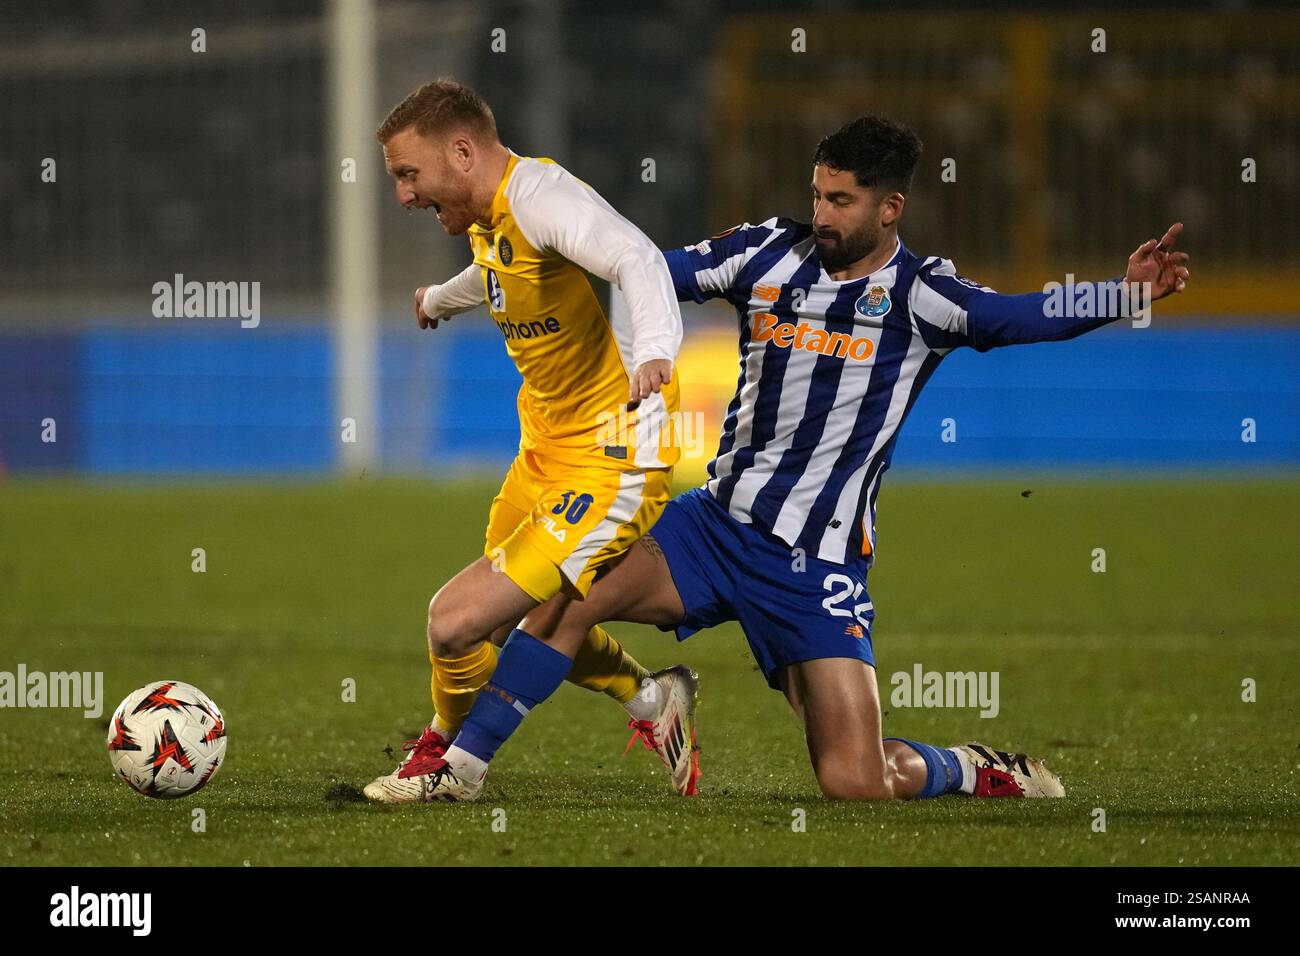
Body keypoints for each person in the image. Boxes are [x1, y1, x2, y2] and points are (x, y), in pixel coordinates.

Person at [407, 114, 1190, 802]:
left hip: (816, 566)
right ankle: (462, 768)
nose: (820, 213)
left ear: (891, 208)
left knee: (854, 779)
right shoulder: (763, 255)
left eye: (841, 201)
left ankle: (968, 766)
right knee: (570, 592)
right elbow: (644, 266)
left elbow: (1020, 317)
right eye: (817, 194)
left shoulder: (922, 296)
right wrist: (505, 271)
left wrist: (1122, 294)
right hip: (714, 527)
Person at [363, 79, 701, 803]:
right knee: (504, 613)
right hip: (547, 443)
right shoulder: (489, 216)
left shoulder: (543, 198)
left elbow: (636, 258)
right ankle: (651, 699)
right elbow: (495, 273)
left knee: (455, 623)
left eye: (407, 174)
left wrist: (654, 351)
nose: (403, 195)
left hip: (615, 455)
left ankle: (452, 766)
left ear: (461, 152)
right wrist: (438, 301)